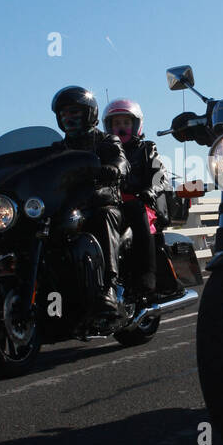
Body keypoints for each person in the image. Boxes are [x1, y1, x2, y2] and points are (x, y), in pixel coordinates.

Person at [51, 85, 129, 319]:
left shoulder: (106, 140)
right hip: (70, 207)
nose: (68, 118)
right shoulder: (57, 148)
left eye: (74, 112)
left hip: (102, 203)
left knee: (103, 218)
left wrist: (114, 169)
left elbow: (121, 162)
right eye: (64, 114)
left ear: (89, 114)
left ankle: (109, 289)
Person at [102, 97, 170, 298]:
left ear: (136, 124)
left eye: (126, 122)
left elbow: (161, 175)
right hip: (111, 203)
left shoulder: (146, 148)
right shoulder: (104, 152)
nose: (121, 127)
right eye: (116, 123)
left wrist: (150, 190)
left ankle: (146, 276)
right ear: (109, 127)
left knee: (137, 212)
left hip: (140, 201)